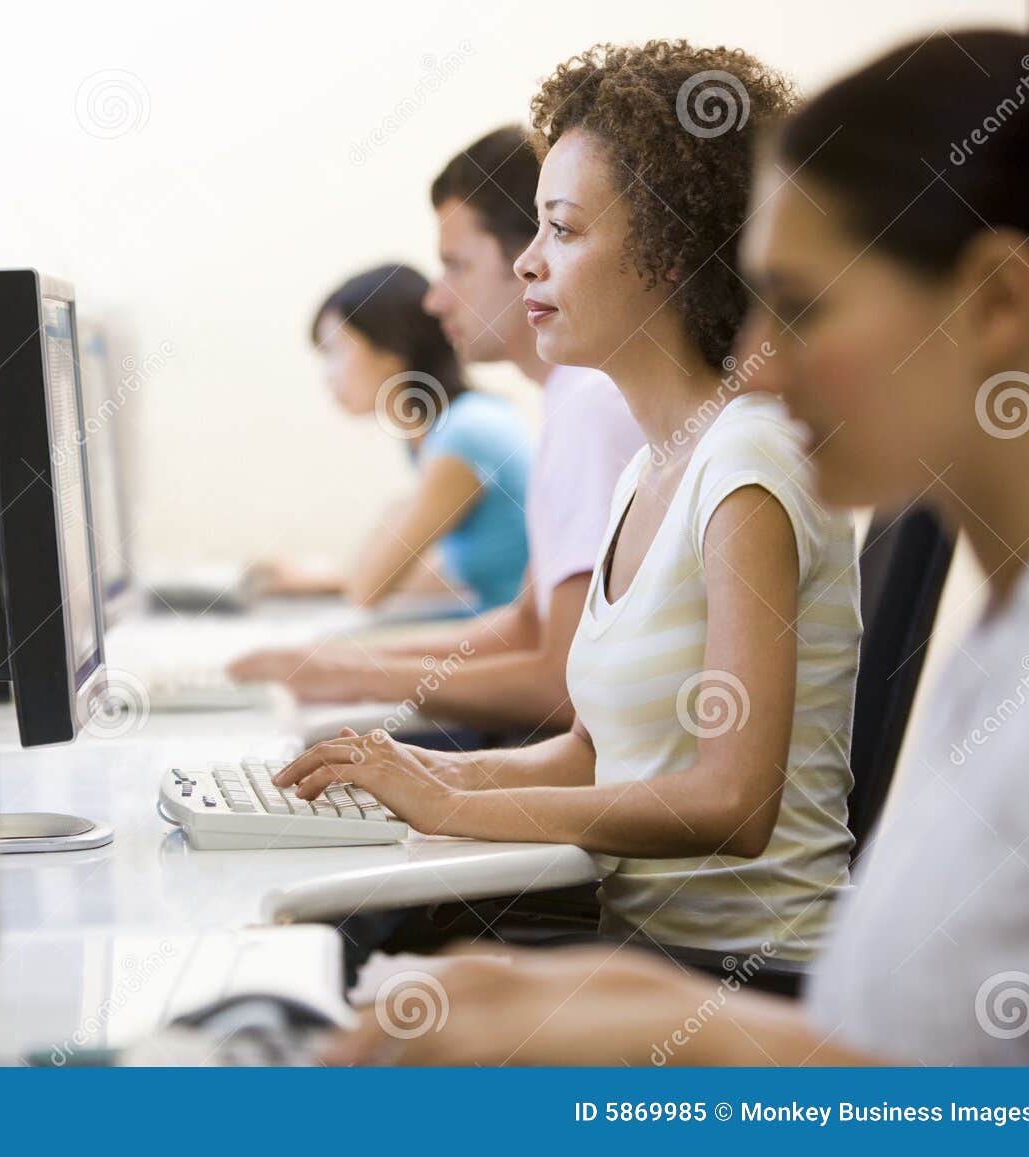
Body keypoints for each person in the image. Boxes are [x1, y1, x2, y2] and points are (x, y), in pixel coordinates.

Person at [326, 28, 1029, 1065]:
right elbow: (906, 1046)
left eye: (800, 308)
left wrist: (689, 1026)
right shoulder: (1009, 641)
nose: (757, 364)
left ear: (995, 305)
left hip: (738, 967)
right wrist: (618, 985)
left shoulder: (754, 462)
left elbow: (952, 1100)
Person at [277, 40, 862, 960]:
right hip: (643, 953)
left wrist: (452, 804)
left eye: (564, 229)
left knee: (370, 988)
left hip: (744, 981)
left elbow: (733, 804)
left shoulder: (749, 462)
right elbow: (592, 752)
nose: (527, 264)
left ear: (670, 250)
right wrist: (429, 771)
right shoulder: (649, 467)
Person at [231, 129, 644, 735]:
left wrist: (356, 673)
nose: (435, 299)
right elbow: (527, 623)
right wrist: (342, 663)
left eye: (456, 266)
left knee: (304, 754)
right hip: (544, 723)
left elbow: (560, 684)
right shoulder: (563, 404)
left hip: (546, 738)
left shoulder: (573, 409)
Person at [255, 263, 531, 611]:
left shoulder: (465, 433)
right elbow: (438, 572)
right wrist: (327, 579)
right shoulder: (448, 428)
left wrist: (396, 509)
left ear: (389, 351)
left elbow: (368, 591)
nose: (328, 376)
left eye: (335, 351)